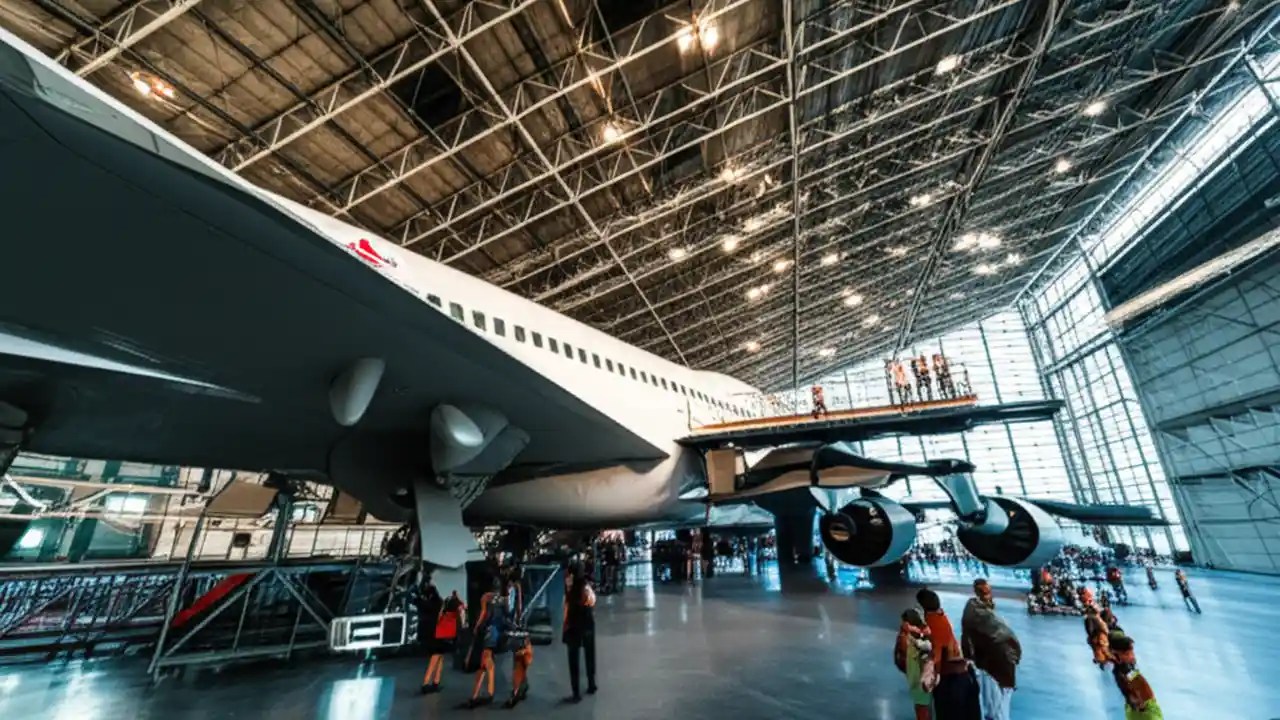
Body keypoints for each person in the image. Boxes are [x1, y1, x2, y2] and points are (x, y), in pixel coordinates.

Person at [960, 579, 1019, 720]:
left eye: (988, 592)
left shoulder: (975, 611)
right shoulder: (979, 613)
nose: (988, 595)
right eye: (985, 592)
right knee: (997, 708)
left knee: (994, 707)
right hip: (991, 665)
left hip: (991, 665)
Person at [918, 589, 980, 720]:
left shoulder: (932, 623)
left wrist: (931, 677)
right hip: (963, 673)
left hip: (950, 679)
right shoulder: (942, 617)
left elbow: (937, 653)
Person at [563, 565, 598, 703]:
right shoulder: (586, 587)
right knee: (590, 655)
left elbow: (568, 611)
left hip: (574, 627)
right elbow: (592, 601)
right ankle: (591, 684)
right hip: (588, 624)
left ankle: (576, 692)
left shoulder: (571, 591)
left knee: (573, 660)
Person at [421, 587, 464, 693]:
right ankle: (430, 682)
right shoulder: (441, 602)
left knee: (437, 657)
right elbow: (461, 609)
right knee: (438, 657)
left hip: (435, 633)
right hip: (443, 633)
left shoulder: (430, 604)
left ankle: (431, 682)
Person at [1110, 635, 1163, 719]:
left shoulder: (1124, 672)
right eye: (1127, 654)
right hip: (1145, 711)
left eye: (1132, 652)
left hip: (1137, 710)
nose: (1132, 656)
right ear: (1116, 655)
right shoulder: (1128, 672)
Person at [899, 608, 937, 720]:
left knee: (922, 709)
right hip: (918, 681)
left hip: (921, 681)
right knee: (922, 708)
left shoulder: (920, 638)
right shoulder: (912, 636)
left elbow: (926, 647)